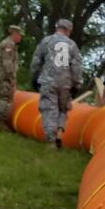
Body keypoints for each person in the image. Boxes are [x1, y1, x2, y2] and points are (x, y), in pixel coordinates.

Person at [29, 18, 81, 147]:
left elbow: (36, 61)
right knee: (63, 109)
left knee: (49, 109)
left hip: (48, 81)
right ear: (68, 30)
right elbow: (77, 66)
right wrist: (76, 84)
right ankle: (59, 132)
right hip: (65, 83)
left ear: (57, 27)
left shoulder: (46, 41)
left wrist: (35, 77)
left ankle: (51, 141)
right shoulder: (72, 45)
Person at [0, 25, 22, 127]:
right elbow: (7, 63)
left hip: (1, 75)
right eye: (19, 35)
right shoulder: (8, 45)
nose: (20, 37)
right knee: (5, 98)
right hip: (5, 77)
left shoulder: (9, 44)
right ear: (14, 34)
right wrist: (12, 78)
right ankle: (1, 121)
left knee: (1, 97)